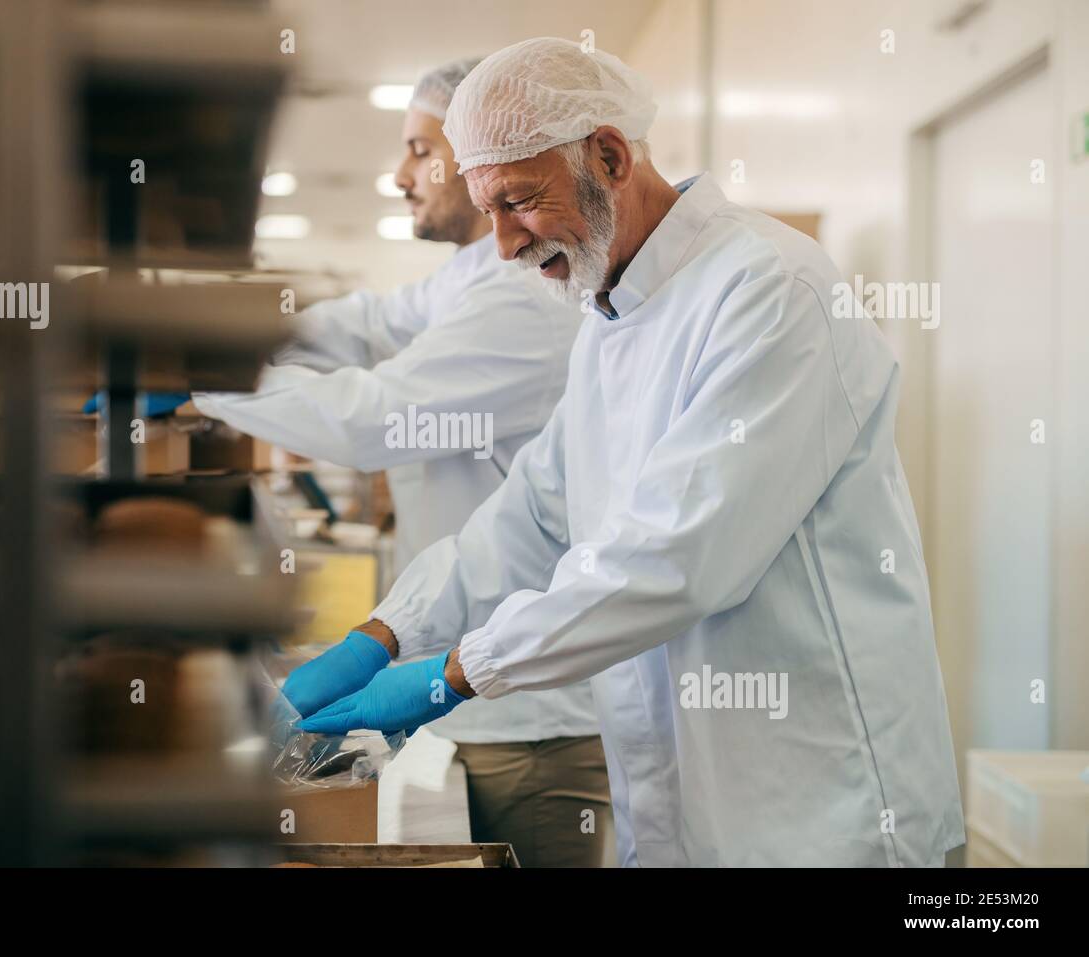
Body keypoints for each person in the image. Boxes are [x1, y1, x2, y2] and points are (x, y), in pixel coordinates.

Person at [294, 37, 965, 867]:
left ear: (608, 155)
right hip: (680, 806)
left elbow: (676, 555)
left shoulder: (768, 291)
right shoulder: (608, 317)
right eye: (489, 210)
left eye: (519, 202)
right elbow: (534, 513)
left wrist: (458, 672)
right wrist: (386, 632)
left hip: (824, 810)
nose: (504, 244)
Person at [191, 58, 610, 867]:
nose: (399, 175)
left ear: (479, 150)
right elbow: (364, 324)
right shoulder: (468, 277)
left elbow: (378, 417)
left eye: (422, 150)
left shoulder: (525, 294)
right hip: (472, 677)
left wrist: (201, 384)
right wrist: (221, 335)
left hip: (531, 715)